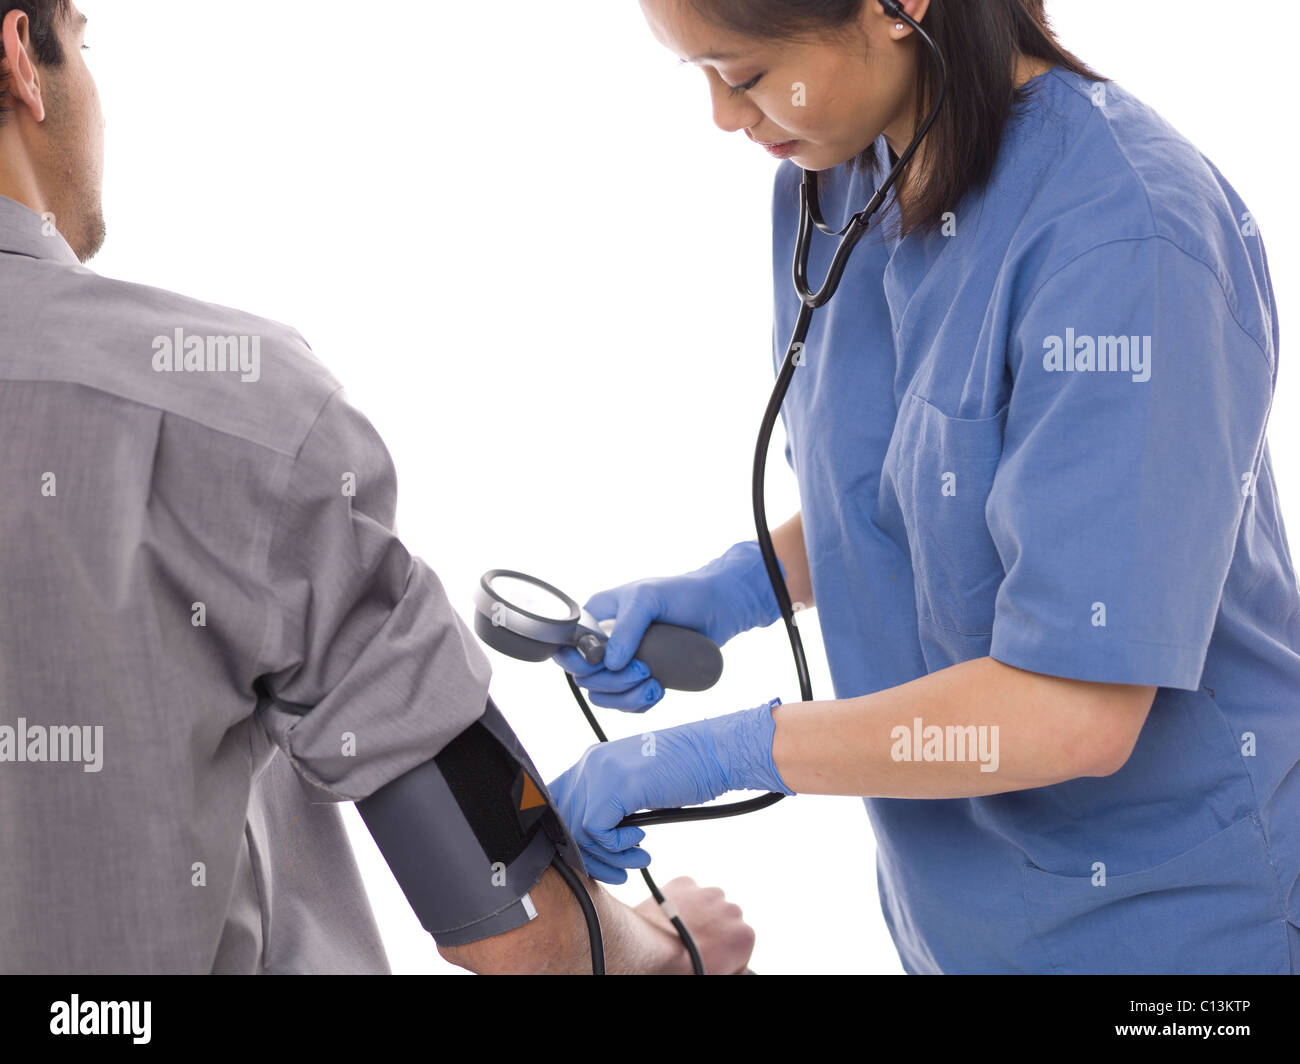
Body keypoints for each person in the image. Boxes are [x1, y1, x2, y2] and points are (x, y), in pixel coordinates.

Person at [0, 0, 755, 975]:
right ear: (22, 55)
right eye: (86, 41)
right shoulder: (225, 405)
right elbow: (518, 920)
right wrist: (672, 940)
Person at [549, 0, 1300, 975]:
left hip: (1182, 936)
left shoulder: (1126, 241)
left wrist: (723, 754)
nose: (725, 119)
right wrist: (738, 585)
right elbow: (924, 482)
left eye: (741, 76)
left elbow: (1072, 708)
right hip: (956, 921)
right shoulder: (834, 178)